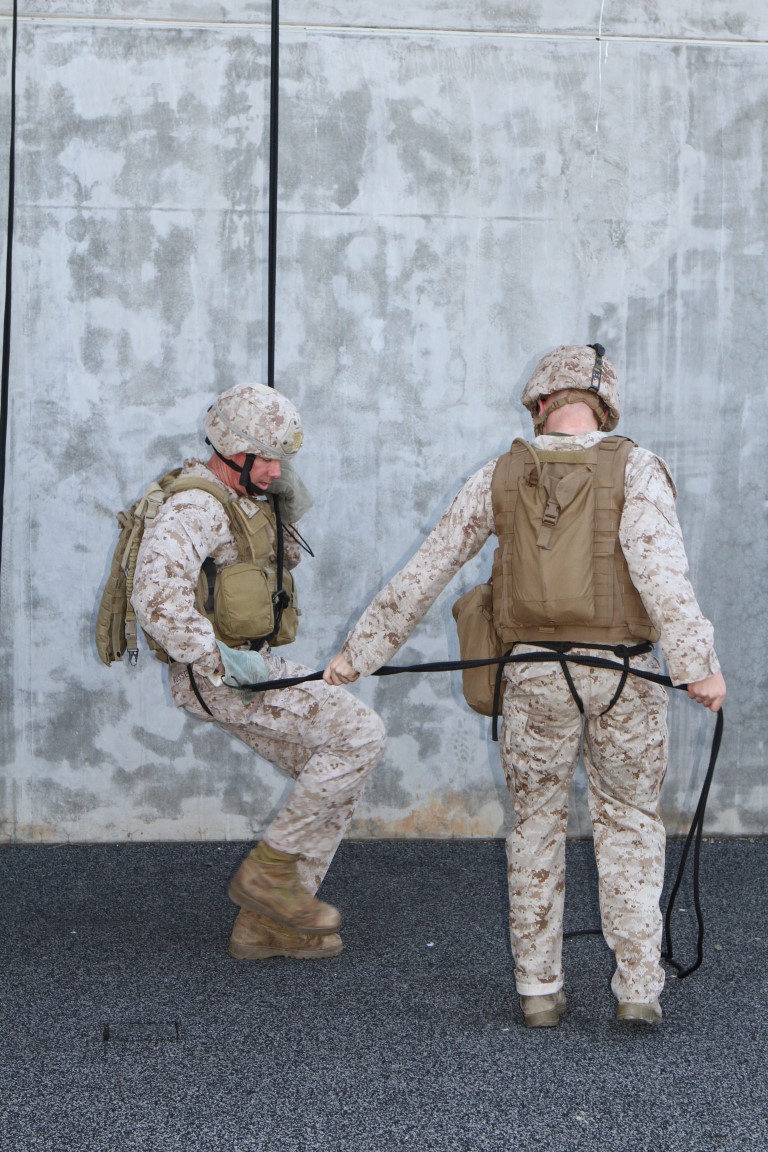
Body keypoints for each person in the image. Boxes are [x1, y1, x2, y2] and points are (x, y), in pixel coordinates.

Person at [325, 344, 725, 1027]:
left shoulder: (501, 474)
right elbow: (662, 575)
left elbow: (426, 570)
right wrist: (698, 665)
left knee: (535, 824)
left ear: (540, 403)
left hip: (533, 675)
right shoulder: (638, 467)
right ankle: (637, 991)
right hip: (625, 674)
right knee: (630, 821)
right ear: (605, 405)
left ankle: (539, 990)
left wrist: (355, 657)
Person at [132, 383, 386, 961]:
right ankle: (268, 875)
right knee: (360, 735)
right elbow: (155, 597)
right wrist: (219, 660)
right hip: (221, 676)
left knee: (333, 781)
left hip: (251, 665)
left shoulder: (248, 496)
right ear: (230, 447)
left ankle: (264, 925)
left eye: (281, 459)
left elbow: (280, 561)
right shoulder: (196, 507)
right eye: (266, 458)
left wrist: (279, 502)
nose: (276, 470)